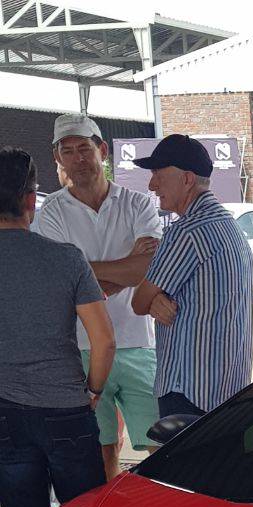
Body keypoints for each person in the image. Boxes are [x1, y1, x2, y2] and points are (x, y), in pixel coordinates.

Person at [34, 113, 162, 480]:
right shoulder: (52, 212)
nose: (78, 158)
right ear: (58, 158)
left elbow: (145, 270)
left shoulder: (138, 203)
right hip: (80, 349)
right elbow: (61, 279)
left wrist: (83, 274)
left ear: (102, 151)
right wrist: (126, 267)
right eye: (68, 151)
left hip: (138, 341)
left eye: (85, 149)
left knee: (159, 444)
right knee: (100, 449)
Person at [0, 147, 114, 507]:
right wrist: (93, 391)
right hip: (67, 409)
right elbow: (104, 341)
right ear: (31, 200)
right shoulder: (67, 260)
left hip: (6, 415)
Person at [131, 135, 253, 418]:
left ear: (186, 179)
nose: (152, 185)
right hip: (227, 387)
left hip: (187, 390)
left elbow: (138, 304)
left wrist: (152, 298)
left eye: (158, 174)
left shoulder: (187, 232)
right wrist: (157, 298)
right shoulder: (227, 224)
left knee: (184, 464)